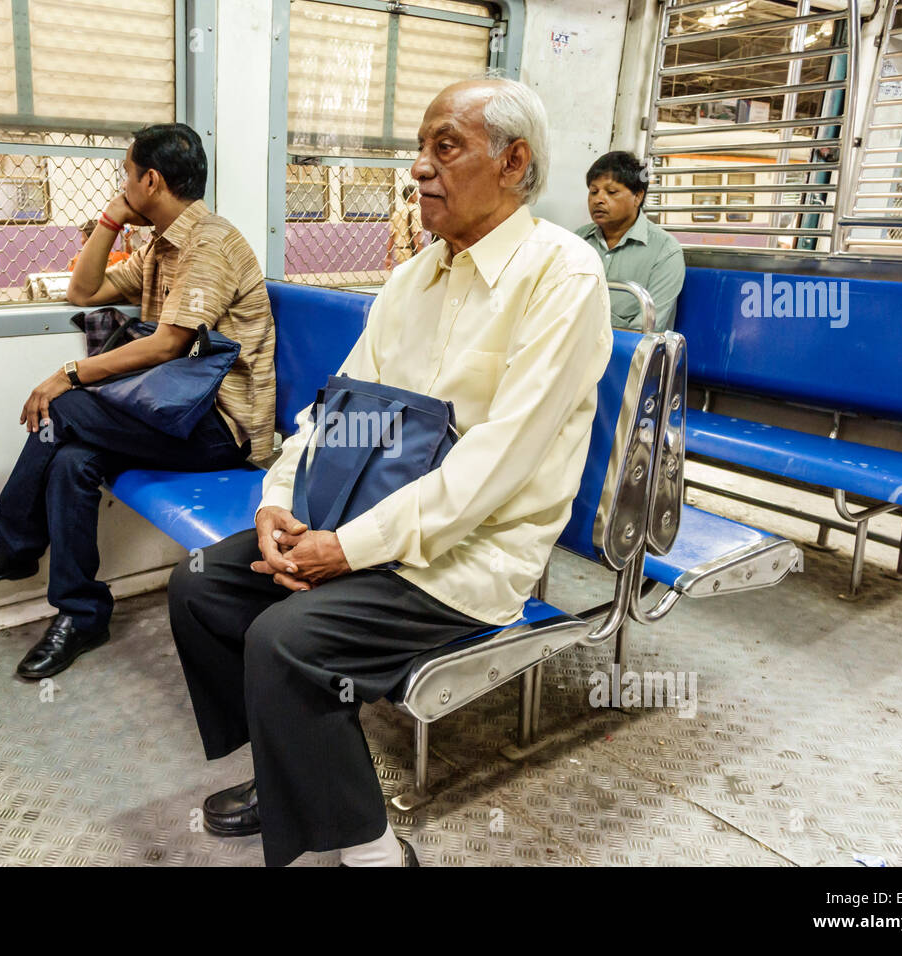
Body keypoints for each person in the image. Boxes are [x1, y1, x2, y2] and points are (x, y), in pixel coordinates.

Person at [168, 78, 612, 866]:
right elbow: (336, 409)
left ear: (513, 163)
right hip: (371, 516)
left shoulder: (563, 278)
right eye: (420, 148)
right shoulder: (414, 278)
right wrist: (278, 502)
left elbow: (495, 465)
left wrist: (346, 547)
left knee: (284, 640)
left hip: (470, 552)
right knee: (202, 584)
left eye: (446, 147)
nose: (419, 169)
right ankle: (289, 771)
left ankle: (375, 852)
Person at [0, 123, 275, 681]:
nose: (123, 183)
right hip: (171, 415)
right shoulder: (163, 247)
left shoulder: (211, 243)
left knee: (61, 409)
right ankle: (82, 613)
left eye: (126, 175)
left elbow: (169, 343)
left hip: (219, 428)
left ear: (151, 180)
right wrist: (112, 219)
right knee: (71, 460)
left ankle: (13, 544)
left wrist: (67, 374)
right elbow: (82, 292)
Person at [575, 150, 685, 332]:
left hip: (626, 353)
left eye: (611, 192)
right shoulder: (578, 240)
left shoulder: (665, 251)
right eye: (593, 192)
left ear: (638, 197)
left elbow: (646, 328)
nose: (598, 200)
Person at [384, 183, 425, 269]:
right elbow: (416, 236)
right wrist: (421, 255)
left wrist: (388, 256)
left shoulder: (397, 212)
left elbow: (392, 236)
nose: (417, 196)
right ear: (412, 196)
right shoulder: (416, 210)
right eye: (416, 193)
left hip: (399, 252)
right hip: (410, 252)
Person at [66, 219, 131, 272]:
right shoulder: (116, 257)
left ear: (85, 241)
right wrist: (127, 240)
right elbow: (129, 258)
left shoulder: (77, 261)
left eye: (82, 236)